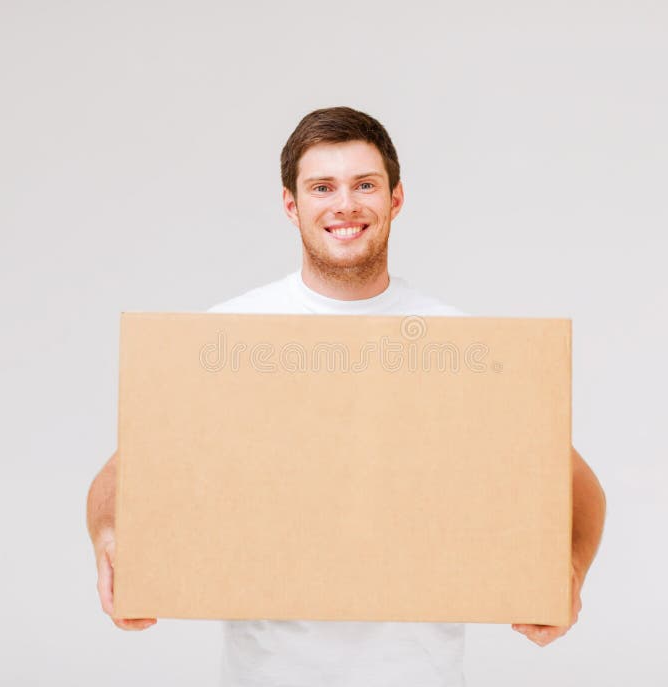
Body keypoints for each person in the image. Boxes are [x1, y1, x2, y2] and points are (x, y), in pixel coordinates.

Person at [86, 106, 607, 686]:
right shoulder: (230, 337)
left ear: (396, 198)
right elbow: (124, 472)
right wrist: (111, 540)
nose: (345, 205)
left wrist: (568, 570)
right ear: (292, 205)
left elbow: (576, 481)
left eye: (364, 185)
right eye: (322, 187)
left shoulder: (456, 343)